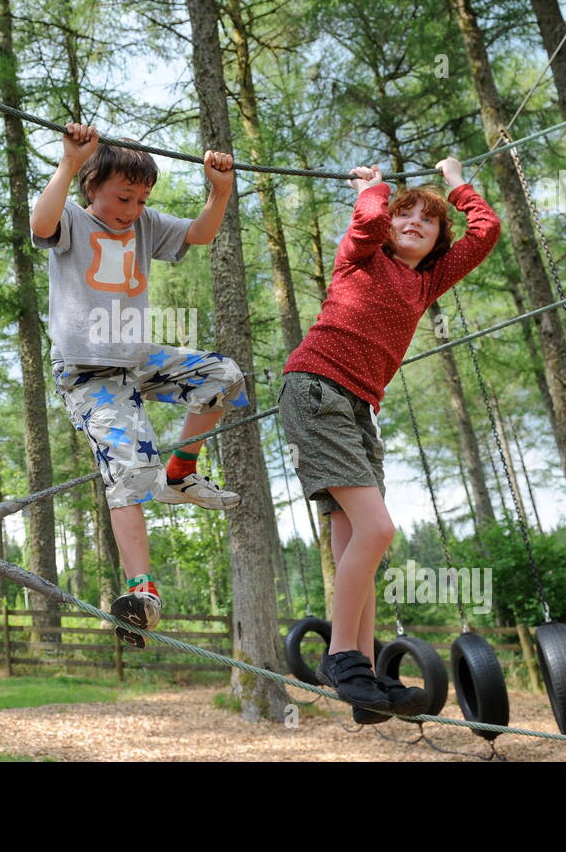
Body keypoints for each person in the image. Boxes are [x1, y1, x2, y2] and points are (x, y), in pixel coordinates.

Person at [278, 158, 501, 722]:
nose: (415, 223)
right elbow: (370, 222)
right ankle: (343, 658)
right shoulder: (361, 256)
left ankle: (366, 672)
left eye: (429, 221)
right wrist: (375, 189)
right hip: (317, 390)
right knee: (378, 529)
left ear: (435, 244)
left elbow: (486, 231)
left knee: (357, 537)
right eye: (407, 213)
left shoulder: (425, 282)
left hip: (360, 410)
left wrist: (456, 181)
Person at [31, 124, 248, 646]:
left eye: (141, 198)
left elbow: (198, 234)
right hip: (88, 371)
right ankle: (140, 590)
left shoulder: (147, 225)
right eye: (123, 197)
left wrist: (219, 192)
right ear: (92, 189)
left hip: (136, 359)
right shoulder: (74, 224)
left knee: (224, 376)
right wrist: (68, 162)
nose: (132, 208)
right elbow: (41, 225)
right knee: (131, 468)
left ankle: (183, 473)